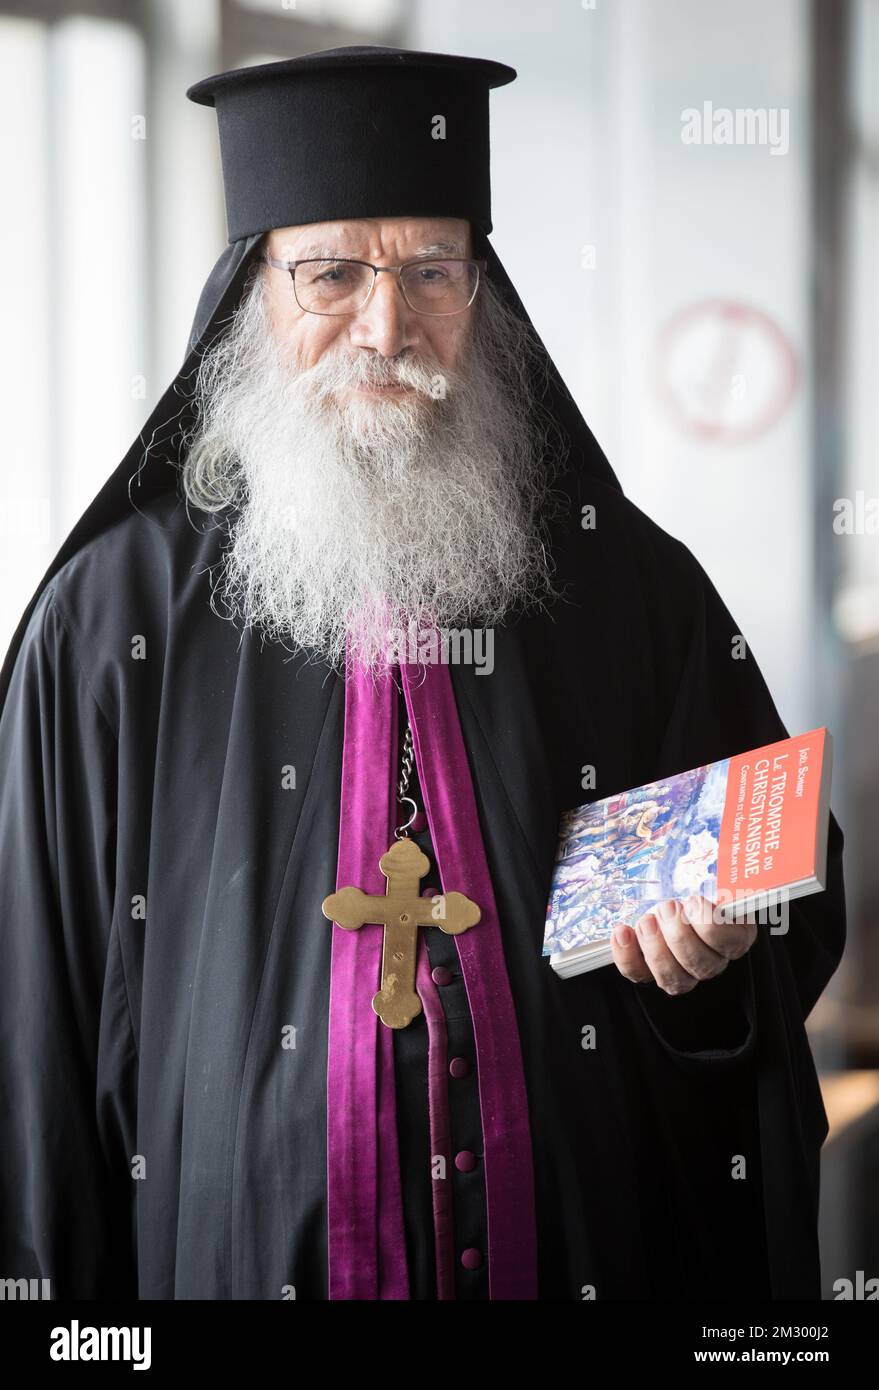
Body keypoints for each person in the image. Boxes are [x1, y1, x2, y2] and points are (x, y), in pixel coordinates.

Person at [0, 44, 845, 1301]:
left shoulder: (627, 585)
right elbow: (36, 1059)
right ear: (254, 295)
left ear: (479, 286)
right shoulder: (108, 624)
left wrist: (717, 950)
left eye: (432, 271)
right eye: (332, 273)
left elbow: (783, 899)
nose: (386, 328)